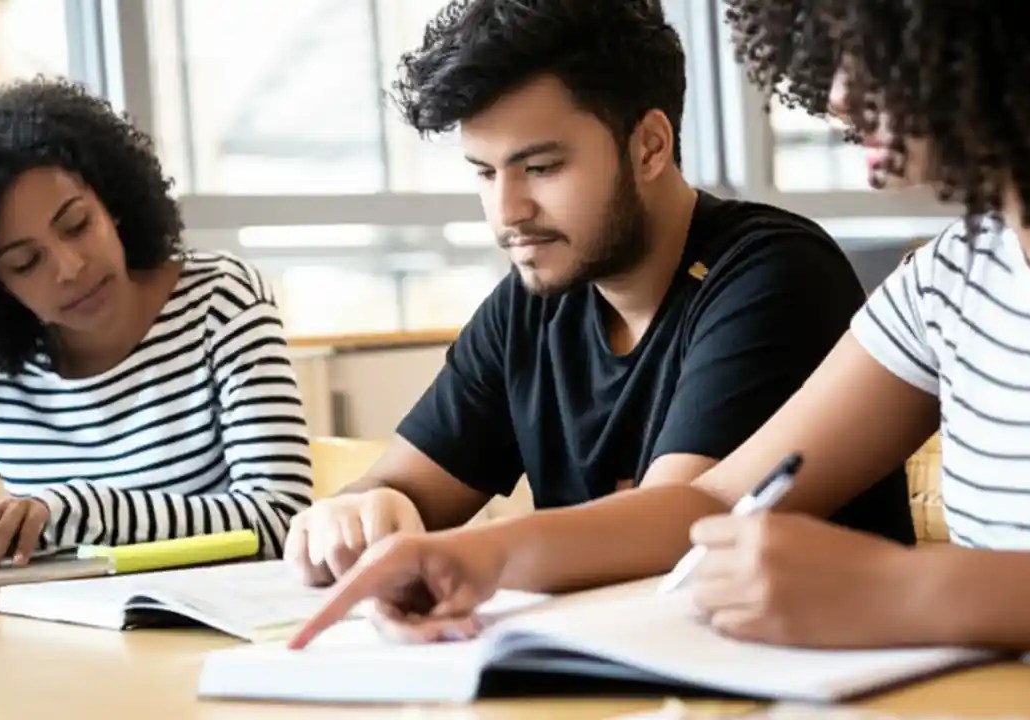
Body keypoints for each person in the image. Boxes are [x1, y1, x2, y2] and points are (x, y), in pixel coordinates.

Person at [290, 0, 1030, 657]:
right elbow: (713, 500)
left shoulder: (774, 266)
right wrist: (478, 557)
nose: (835, 94)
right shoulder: (947, 282)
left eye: (877, 42)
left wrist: (902, 590)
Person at [285, 0, 914, 588]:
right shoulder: (530, 304)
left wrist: (478, 551)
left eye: (541, 168)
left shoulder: (773, 273)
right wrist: (357, 514)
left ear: (649, 147)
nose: (507, 212)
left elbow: (681, 527)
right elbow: (402, 488)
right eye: (484, 172)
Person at [0, 77, 312, 574]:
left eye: (77, 224)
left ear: (111, 202)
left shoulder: (222, 303)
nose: (71, 267)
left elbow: (283, 520)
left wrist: (74, 509)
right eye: (25, 263)